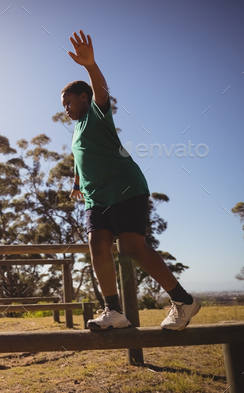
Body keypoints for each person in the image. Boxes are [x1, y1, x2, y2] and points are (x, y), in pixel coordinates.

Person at [63, 30, 201, 331]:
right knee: (96, 244)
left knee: (131, 246)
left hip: (124, 188)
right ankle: (113, 311)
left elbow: (101, 91)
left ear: (83, 99)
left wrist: (90, 66)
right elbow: (80, 156)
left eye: (69, 102)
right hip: (96, 196)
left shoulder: (96, 114)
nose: (66, 108)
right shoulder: (76, 130)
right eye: (64, 105)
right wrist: (76, 183)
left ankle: (183, 300)